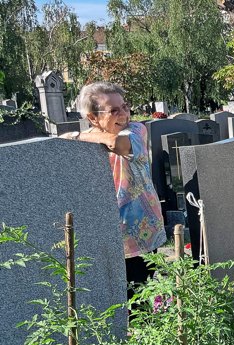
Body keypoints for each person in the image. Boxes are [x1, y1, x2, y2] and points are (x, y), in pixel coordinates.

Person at [61, 82, 166, 296]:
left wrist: (73, 137)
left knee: (138, 298)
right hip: (104, 232)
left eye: (125, 107)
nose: (124, 114)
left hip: (140, 232)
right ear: (92, 117)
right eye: (114, 110)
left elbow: (116, 144)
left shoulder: (136, 130)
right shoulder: (85, 144)